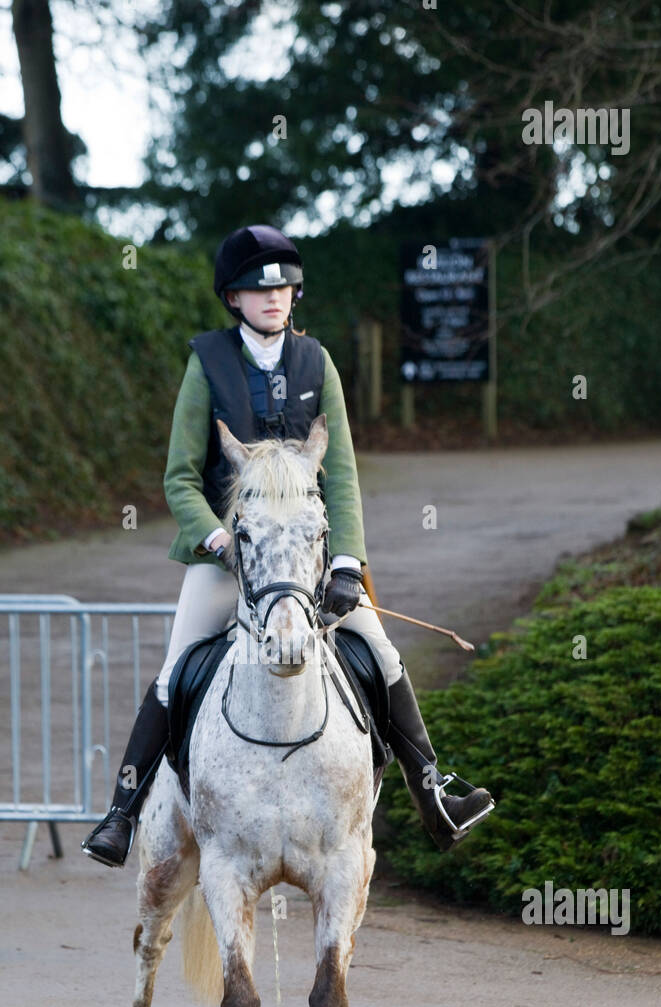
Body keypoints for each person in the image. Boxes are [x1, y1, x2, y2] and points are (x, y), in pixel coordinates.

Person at [82, 224, 494, 867]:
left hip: (309, 555)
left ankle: (433, 792)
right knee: (177, 667)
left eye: (284, 287)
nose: (273, 298)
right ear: (233, 299)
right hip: (230, 554)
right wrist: (219, 539)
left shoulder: (317, 362)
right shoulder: (207, 361)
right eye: (257, 288)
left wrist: (348, 563)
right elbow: (180, 478)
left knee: (381, 653)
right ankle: (121, 813)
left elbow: (346, 475)